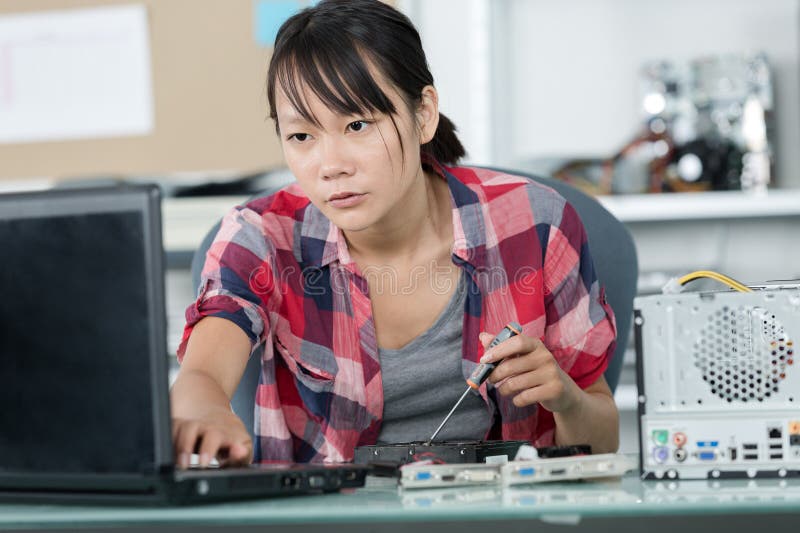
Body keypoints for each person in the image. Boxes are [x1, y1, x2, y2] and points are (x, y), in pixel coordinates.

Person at [171, 0, 619, 467]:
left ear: (423, 114)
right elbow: (202, 373)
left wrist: (565, 399)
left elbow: (602, 438)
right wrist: (201, 413)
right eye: (302, 137)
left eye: (357, 125)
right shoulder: (261, 238)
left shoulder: (535, 222)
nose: (331, 166)